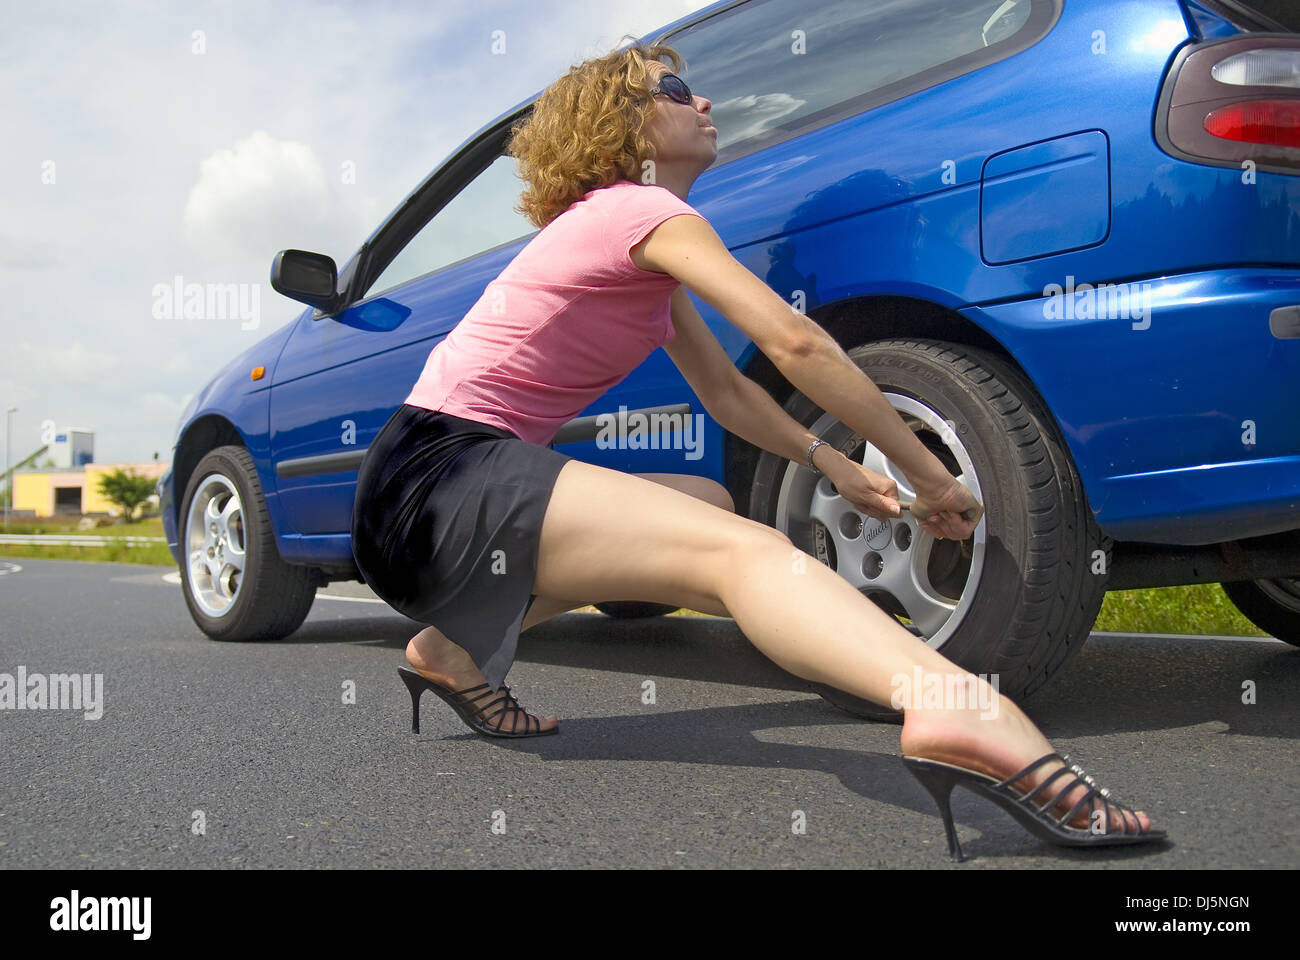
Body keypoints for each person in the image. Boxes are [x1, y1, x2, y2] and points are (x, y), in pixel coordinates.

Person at [351, 41, 1164, 859]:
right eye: (675, 91)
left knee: (707, 507)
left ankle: (450, 651)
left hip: (417, 496)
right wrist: (924, 470)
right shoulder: (634, 211)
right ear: (624, 127)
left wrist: (832, 461)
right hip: (442, 476)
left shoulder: (635, 255)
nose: (703, 104)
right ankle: (952, 708)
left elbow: (728, 395)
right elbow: (795, 344)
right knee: (745, 556)